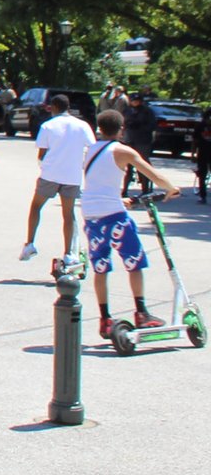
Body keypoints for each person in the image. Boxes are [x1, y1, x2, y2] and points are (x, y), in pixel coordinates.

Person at [79, 110, 180, 340]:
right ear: (121, 128)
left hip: (91, 214)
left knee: (100, 267)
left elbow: (100, 182)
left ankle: (105, 319)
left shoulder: (90, 150)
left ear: (100, 127)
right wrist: (170, 188)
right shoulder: (123, 150)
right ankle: (142, 312)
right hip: (113, 215)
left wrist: (120, 199)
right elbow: (151, 174)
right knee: (134, 262)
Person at [22, 94, 94, 264]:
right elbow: (91, 147)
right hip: (72, 175)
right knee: (68, 214)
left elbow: (41, 153)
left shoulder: (48, 126)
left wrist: (43, 165)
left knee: (36, 206)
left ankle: (30, 243)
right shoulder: (82, 125)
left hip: (50, 174)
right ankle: (69, 253)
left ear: (53, 107)